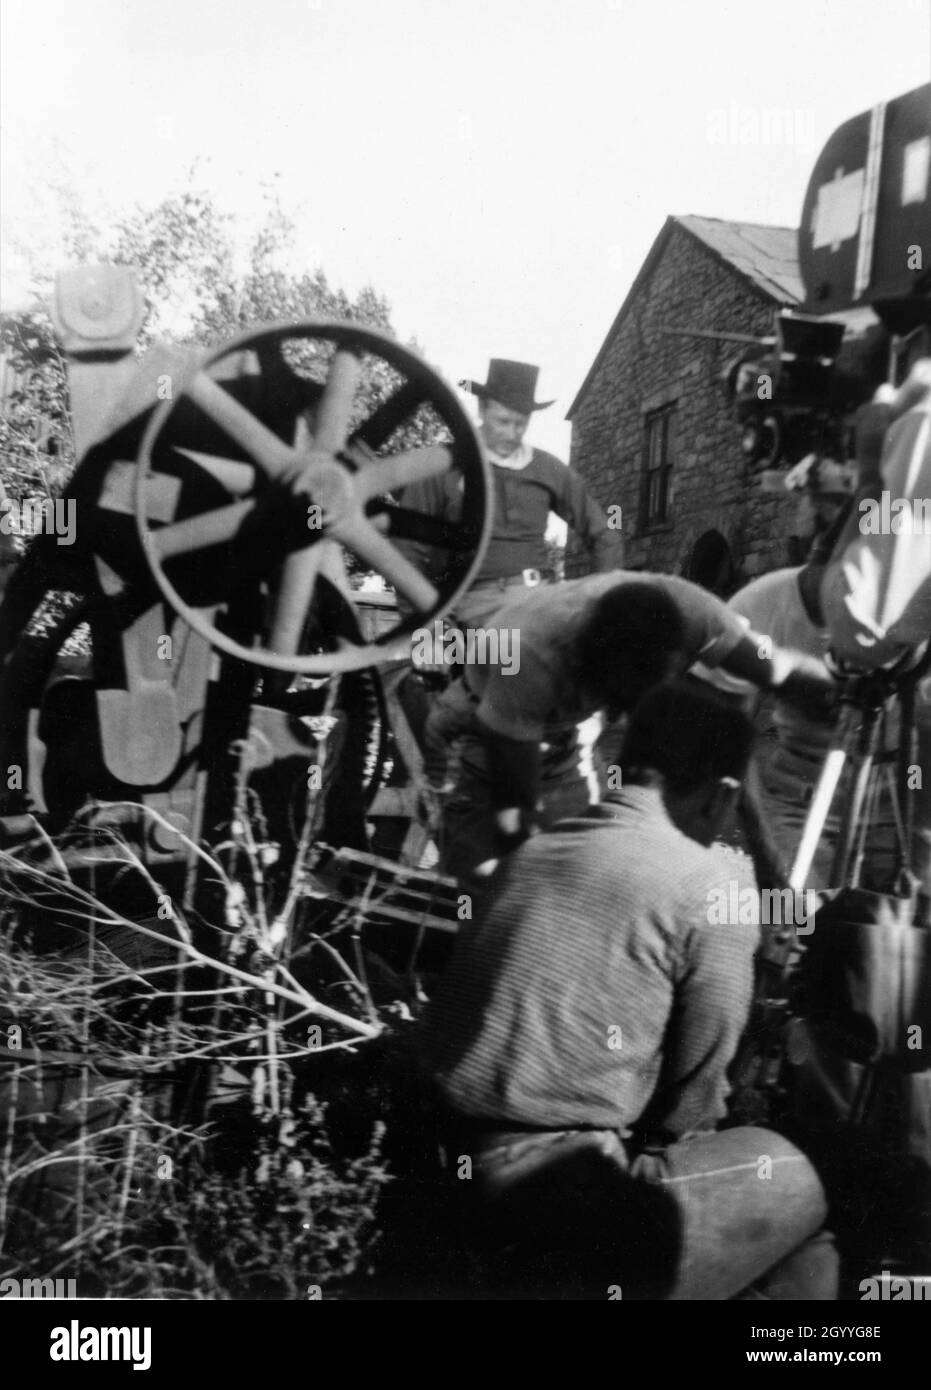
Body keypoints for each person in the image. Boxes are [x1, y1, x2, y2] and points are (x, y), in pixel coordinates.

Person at [417, 682, 838, 1299]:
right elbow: (697, 1091)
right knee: (820, 1177)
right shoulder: (710, 889)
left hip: (438, 1167)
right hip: (559, 1195)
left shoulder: (530, 853)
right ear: (724, 796)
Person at [431, 569, 836, 881]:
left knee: (588, 865)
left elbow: (780, 672)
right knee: (486, 882)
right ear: (588, 667)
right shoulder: (525, 653)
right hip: (482, 737)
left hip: (571, 735)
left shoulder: (698, 614)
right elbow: (513, 817)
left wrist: (845, 689)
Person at [398, 358, 622, 627]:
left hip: (536, 598)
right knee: (442, 660)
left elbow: (604, 534)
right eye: (503, 422)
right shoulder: (443, 466)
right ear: (481, 409)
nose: (512, 434)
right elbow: (404, 549)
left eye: (521, 424)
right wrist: (423, 624)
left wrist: (601, 603)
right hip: (465, 605)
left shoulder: (547, 468)